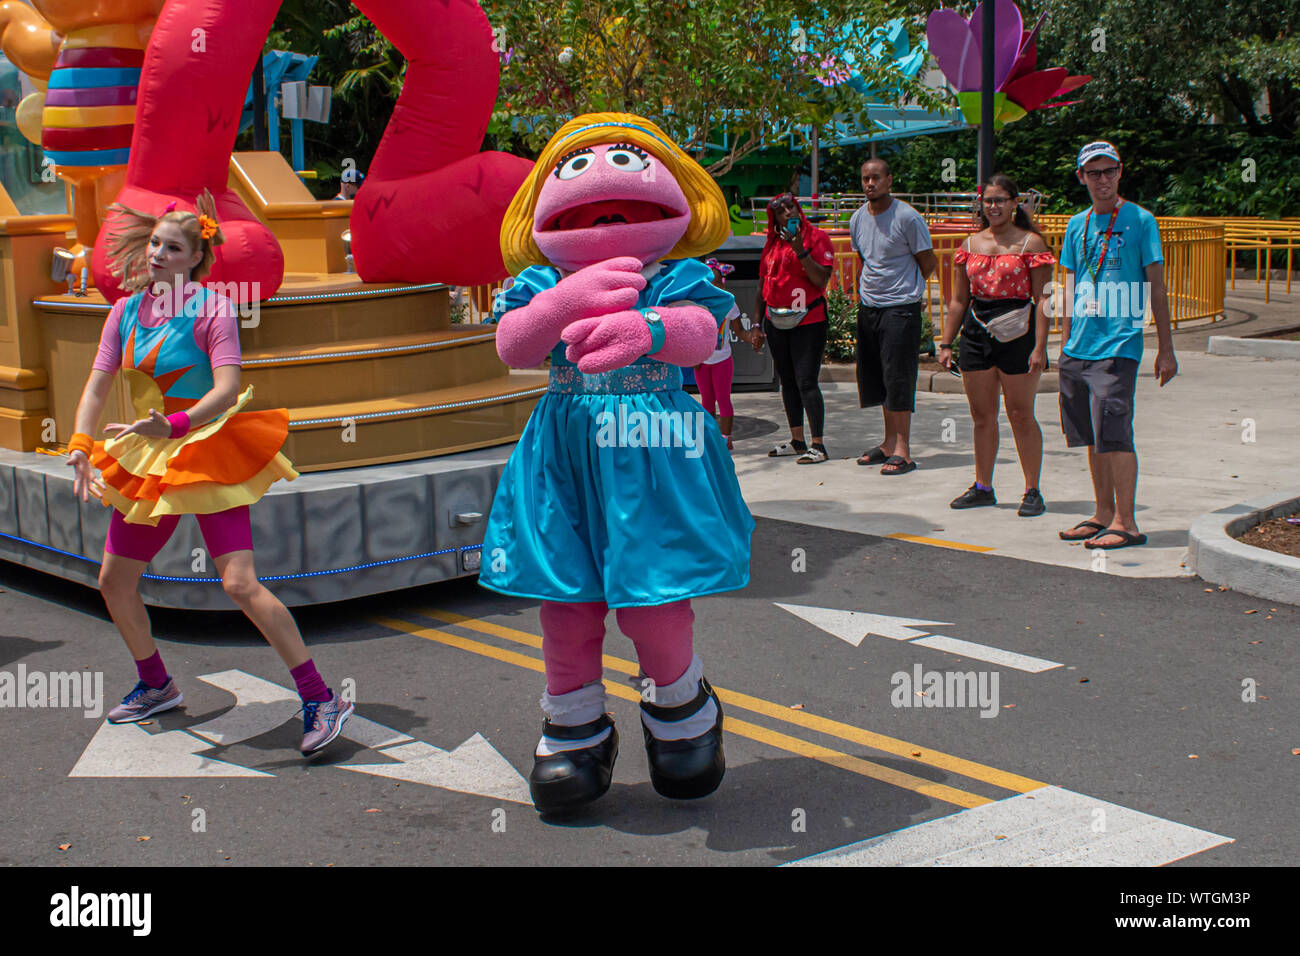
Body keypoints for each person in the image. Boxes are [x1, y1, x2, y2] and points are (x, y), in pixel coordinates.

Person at [483, 112, 753, 812]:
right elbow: (513, 345)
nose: (603, 186)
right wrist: (562, 302)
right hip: (565, 450)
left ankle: (682, 713)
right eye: (576, 167)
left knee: (653, 599)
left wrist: (650, 328)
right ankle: (572, 729)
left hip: (652, 443)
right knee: (566, 602)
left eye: (628, 163)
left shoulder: (675, 275)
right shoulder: (541, 280)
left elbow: (703, 335)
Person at [64, 190, 354, 754]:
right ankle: (156, 684)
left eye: (171, 248)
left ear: (194, 258)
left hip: (204, 449)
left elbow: (225, 390)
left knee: (239, 583)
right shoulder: (124, 312)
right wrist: (79, 442)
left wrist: (173, 424)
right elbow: (98, 383)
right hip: (152, 456)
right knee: (113, 581)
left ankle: (321, 698)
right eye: (153, 243)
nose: (156, 255)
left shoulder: (214, 309)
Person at [1056, 140, 1177, 550]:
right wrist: (1064, 341)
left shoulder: (1140, 220)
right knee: (1092, 436)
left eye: (1110, 171)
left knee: (1115, 432)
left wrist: (1166, 347)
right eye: (1094, 173)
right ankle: (1102, 514)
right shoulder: (1078, 224)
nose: (1103, 179)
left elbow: (1156, 287)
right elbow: (1070, 285)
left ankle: (1127, 523)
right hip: (1080, 344)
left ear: (1120, 173)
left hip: (1118, 342)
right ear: (1082, 177)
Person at [940, 174, 1056, 516]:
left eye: (1001, 200)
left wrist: (1040, 346)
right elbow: (959, 300)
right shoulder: (970, 245)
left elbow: (1044, 298)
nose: (994, 206)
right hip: (977, 333)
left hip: (1018, 332)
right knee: (981, 415)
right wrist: (947, 342)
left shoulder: (1031, 244)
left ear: (1014, 203)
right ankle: (983, 486)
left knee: (1021, 414)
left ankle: (1032, 489)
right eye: (988, 200)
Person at [849, 158, 938, 475]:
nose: (870, 184)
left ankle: (903, 449)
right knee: (879, 377)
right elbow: (865, 257)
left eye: (875, 178)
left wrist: (909, 292)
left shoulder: (907, 218)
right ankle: (887, 443)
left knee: (899, 377)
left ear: (889, 179)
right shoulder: (857, 218)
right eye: (865, 179)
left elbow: (927, 262)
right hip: (870, 306)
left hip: (900, 307)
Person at [755, 193, 836, 464]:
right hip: (776, 319)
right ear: (774, 218)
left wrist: (800, 249)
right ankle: (798, 440)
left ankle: (818, 445)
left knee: (806, 382)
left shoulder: (817, 238)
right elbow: (762, 285)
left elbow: (821, 279)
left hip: (809, 319)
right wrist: (756, 323)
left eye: (791, 207)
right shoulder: (772, 243)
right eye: (781, 211)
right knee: (787, 381)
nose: (788, 213)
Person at [693, 257, 759, 451]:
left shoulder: (729, 305)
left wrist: (753, 338)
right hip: (702, 362)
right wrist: (695, 357)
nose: (711, 285)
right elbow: (694, 333)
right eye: (707, 281)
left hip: (722, 360)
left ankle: (726, 438)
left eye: (715, 280)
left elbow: (739, 332)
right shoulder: (697, 305)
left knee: (723, 398)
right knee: (706, 399)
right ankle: (710, 436)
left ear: (722, 283)